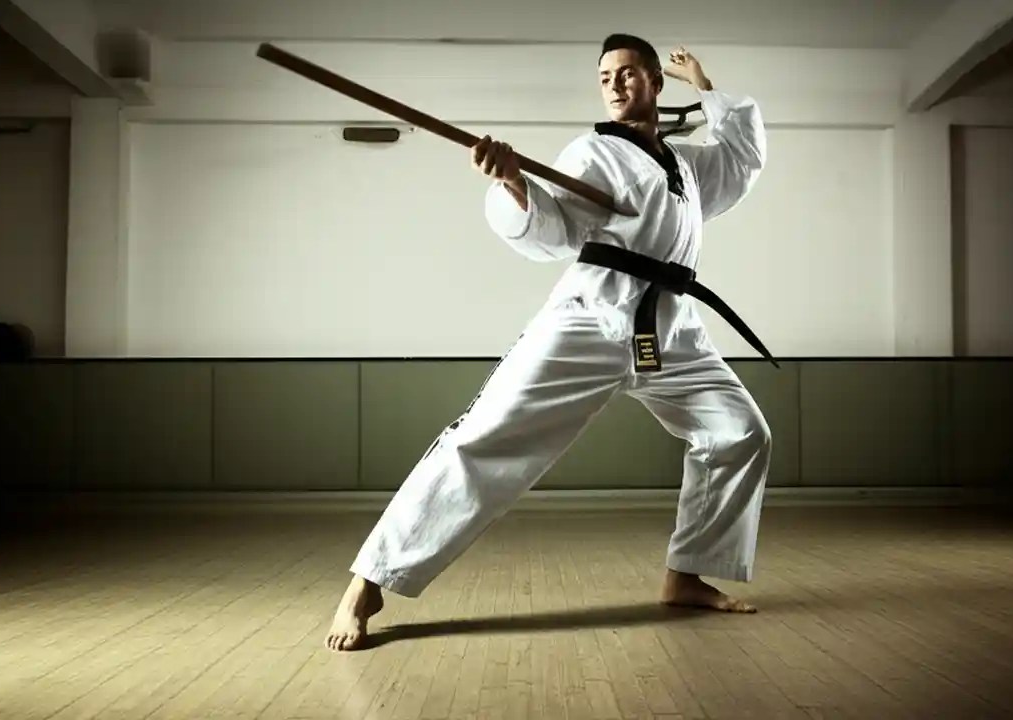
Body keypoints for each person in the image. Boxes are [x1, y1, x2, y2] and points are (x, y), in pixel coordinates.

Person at [326, 34, 773, 651]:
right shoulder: (591, 153)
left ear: (654, 83)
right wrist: (514, 184)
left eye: (627, 73)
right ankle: (370, 579)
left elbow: (743, 158)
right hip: (591, 316)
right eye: (604, 76)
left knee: (740, 432)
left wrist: (708, 86)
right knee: (487, 437)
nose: (615, 84)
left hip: (668, 326)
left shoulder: (686, 166)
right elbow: (555, 226)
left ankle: (687, 574)